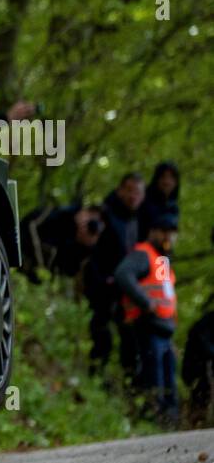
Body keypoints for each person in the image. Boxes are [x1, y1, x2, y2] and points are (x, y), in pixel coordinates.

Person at [115, 213, 179, 420]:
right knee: (154, 382)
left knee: (169, 384)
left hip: (165, 330)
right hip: (147, 326)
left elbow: (166, 297)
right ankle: (153, 421)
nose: (168, 237)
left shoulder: (161, 260)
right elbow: (123, 274)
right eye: (164, 232)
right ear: (153, 232)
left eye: (172, 233)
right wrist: (145, 302)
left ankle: (170, 423)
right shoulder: (143, 254)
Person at [85, 172, 145, 371]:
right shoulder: (106, 212)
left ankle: (128, 382)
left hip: (126, 289)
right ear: (120, 190)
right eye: (129, 190)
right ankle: (95, 372)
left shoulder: (138, 221)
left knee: (130, 338)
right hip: (103, 285)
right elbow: (92, 238)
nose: (132, 196)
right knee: (101, 333)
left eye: (137, 192)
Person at [19, 203, 104, 281]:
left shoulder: (80, 249)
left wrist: (85, 245)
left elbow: (68, 272)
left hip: (31, 274)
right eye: (90, 221)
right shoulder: (63, 214)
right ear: (85, 212)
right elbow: (30, 224)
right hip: (20, 249)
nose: (86, 227)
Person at [138, 161, 180, 235]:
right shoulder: (143, 201)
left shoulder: (173, 207)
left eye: (171, 178)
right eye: (163, 177)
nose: (166, 182)